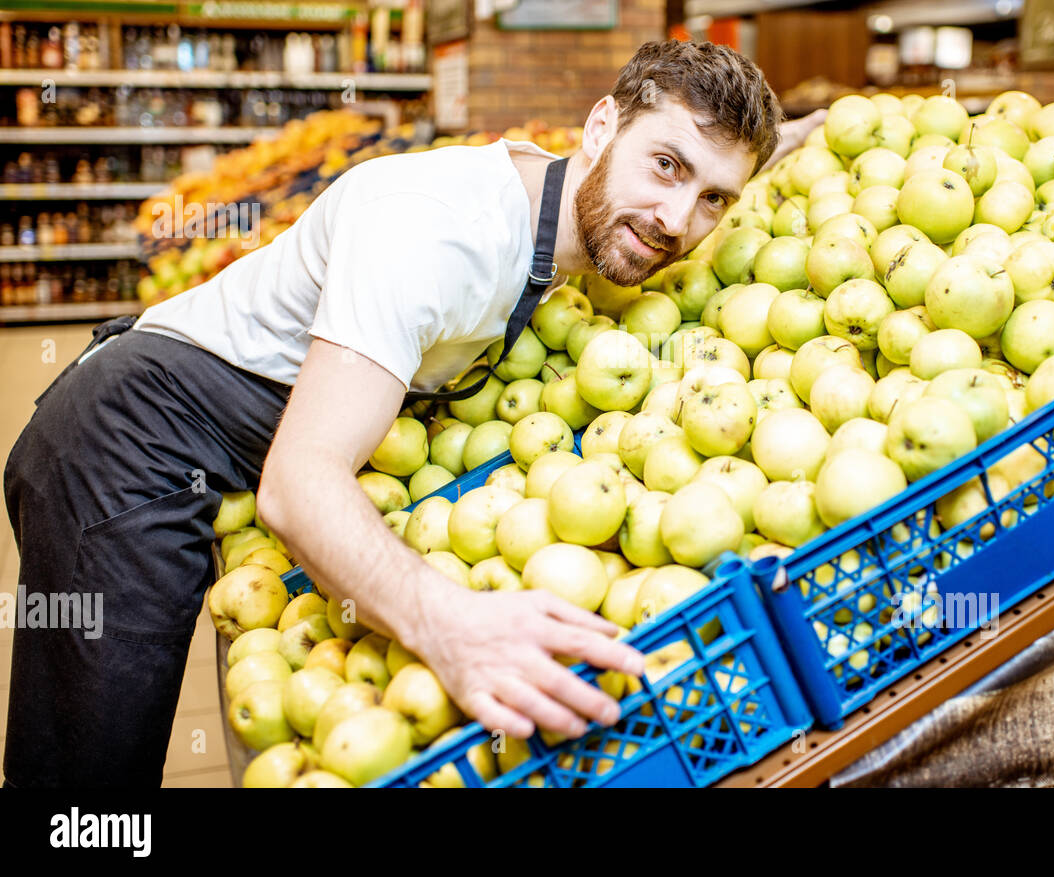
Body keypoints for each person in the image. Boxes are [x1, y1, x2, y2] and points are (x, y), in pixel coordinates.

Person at [3, 39, 817, 787]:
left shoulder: (578, 208)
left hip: (247, 432)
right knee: (89, 780)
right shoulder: (439, 234)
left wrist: (810, 132)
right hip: (125, 441)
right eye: (666, 165)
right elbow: (297, 484)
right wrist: (450, 625)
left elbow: (727, 163)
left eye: (714, 198)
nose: (678, 221)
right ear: (601, 125)